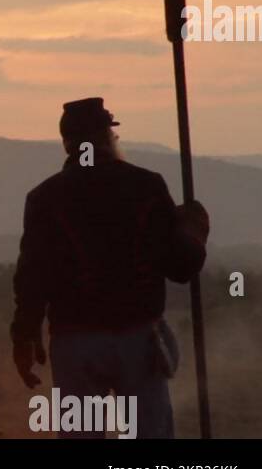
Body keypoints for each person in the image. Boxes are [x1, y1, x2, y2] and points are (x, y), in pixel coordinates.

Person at [11, 97, 209, 438]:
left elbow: (32, 278)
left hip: (75, 345)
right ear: (106, 136)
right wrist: (195, 230)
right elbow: (180, 266)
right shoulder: (146, 186)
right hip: (137, 340)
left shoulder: (44, 198)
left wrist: (25, 334)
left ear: (66, 143)